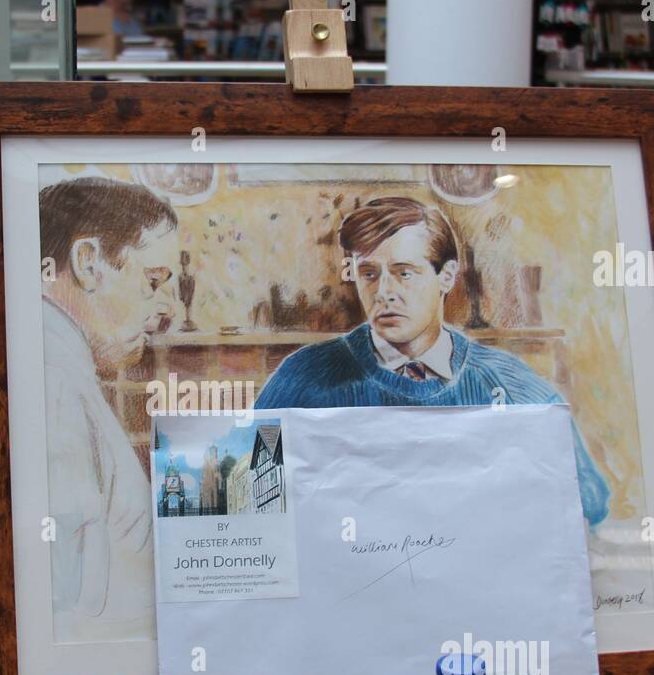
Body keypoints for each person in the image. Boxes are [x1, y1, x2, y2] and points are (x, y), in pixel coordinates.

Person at [254, 196, 610, 527]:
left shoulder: (506, 385)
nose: (383, 292)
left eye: (404, 272)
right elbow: (246, 495)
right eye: (369, 274)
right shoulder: (303, 378)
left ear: (447, 276)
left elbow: (588, 500)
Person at [39, 177, 178, 642]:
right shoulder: (55, 384)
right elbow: (65, 612)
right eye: (153, 281)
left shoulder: (61, 371)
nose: (168, 308)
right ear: (88, 262)